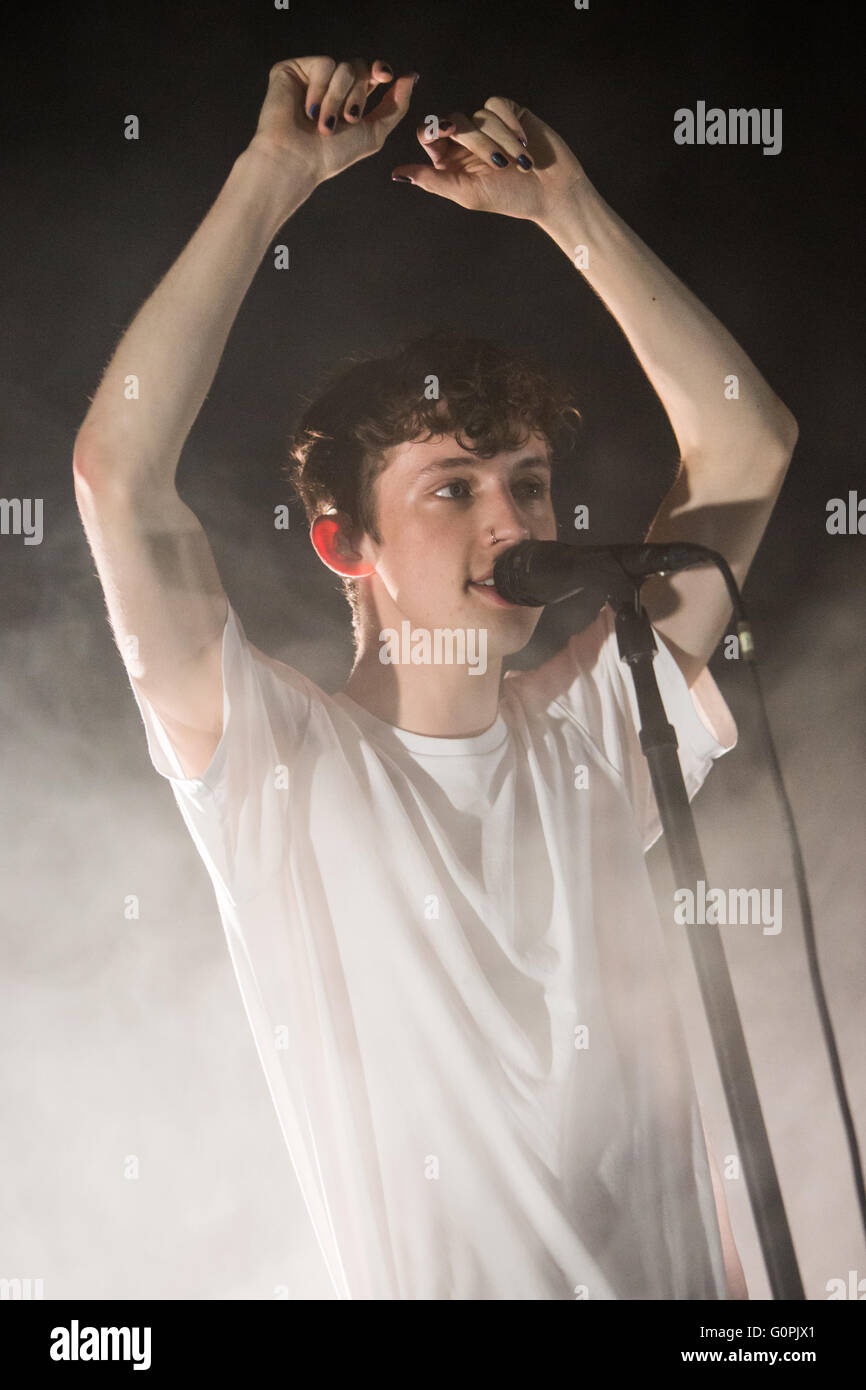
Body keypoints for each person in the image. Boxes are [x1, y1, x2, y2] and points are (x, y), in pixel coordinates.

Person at [73, 55, 798, 1299]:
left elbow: (746, 438)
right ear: (344, 545)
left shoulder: (596, 724)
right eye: (451, 489)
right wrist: (272, 178)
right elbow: (118, 477)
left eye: (526, 481)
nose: (510, 520)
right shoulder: (270, 762)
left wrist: (568, 213)